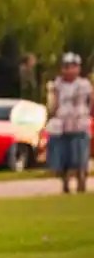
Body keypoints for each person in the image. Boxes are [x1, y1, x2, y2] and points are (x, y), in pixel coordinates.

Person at [46, 52, 92, 194]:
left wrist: (87, 114)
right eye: (66, 67)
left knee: (80, 157)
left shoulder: (84, 84)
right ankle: (65, 183)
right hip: (62, 126)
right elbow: (53, 104)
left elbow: (91, 101)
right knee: (63, 157)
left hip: (79, 124)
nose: (69, 70)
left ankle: (81, 181)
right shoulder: (57, 85)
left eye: (72, 67)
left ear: (78, 68)